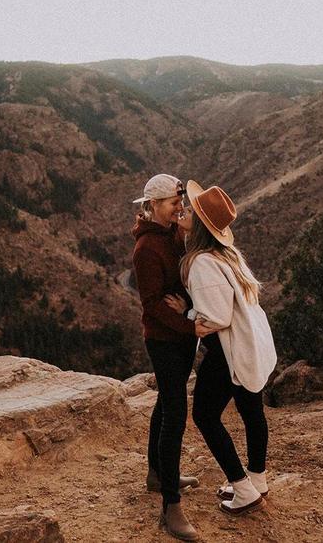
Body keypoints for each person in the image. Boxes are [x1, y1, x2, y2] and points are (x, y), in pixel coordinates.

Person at [179, 180, 277, 516]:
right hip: (250, 343)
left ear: (200, 225)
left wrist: (186, 314)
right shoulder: (228, 255)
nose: (184, 211)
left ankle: (244, 490)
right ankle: (257, 479)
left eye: (191, 210)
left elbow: (217, 317)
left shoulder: (202, 263)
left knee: (204, 416)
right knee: (252, 412)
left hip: (227, 350)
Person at [131, 173, 213, 541]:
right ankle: (170, 505)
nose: (180, 207)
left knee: (166, 404)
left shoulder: (173, 234)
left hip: (180, 336)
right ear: (153, 205)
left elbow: (184, 281)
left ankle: (157, 474)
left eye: (180, 200)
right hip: (164, 340)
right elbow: (151, 304)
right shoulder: (147, 248)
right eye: (173, 202)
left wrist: (189, 316)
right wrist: (188, 325)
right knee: (175, 415)